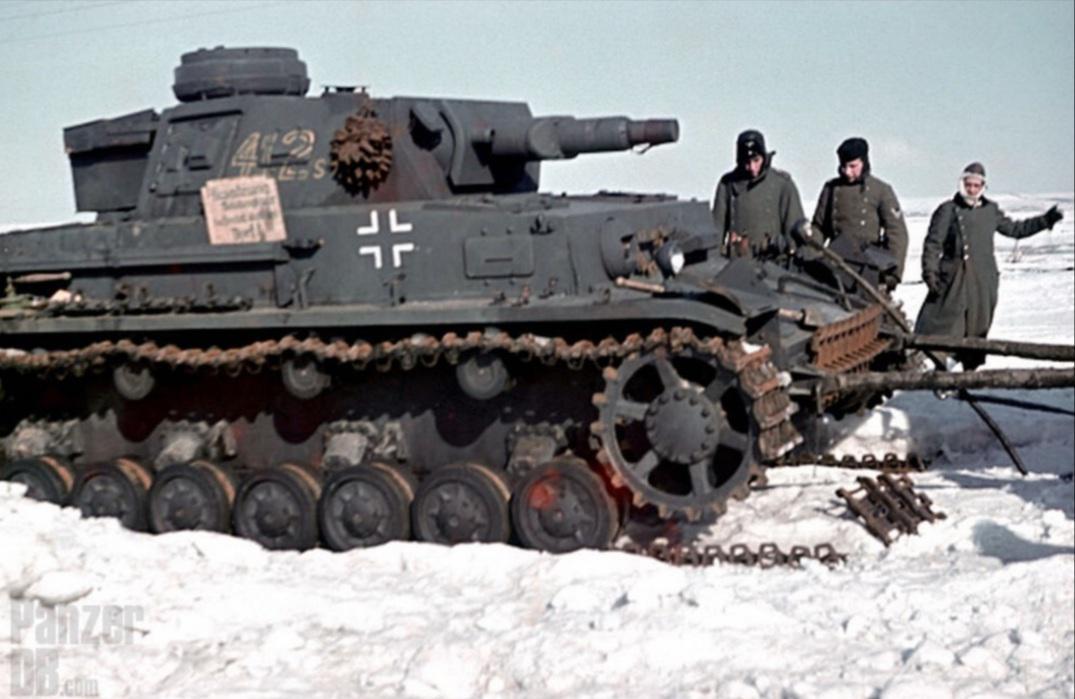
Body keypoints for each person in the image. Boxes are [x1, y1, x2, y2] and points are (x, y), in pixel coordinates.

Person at [914, 162, 1064, 369]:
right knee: (944, 325)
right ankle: (942, 369)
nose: (972, 190)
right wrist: (930, 273)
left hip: (983, 281)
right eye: (969, 185)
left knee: (976, 327)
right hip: (953, 280)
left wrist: (1044, 221)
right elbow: (933, 243)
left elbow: (1015, 229)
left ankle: (968, 375)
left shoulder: (990, 210)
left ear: (983, 186)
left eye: (977, 186)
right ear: (962, 184)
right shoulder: (948, 210)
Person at [811, 137, 908, 289]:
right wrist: (812, 256)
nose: (848, 172)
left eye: (853, 166)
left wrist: (893, 273)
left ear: (864, 162)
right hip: (835, 263)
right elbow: (819, 227)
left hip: (868, 268)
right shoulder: (830, 189)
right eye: (844, 166)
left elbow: (897, 233)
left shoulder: (880, 190)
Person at [711, 129, 805, 259]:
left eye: (756, 160)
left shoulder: (782, 185)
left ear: (763, 157)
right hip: (737, 265)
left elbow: (795, 233)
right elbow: (716, 230)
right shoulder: (727, 184)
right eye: (747, 162)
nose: (752, 167)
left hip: (774, 265)